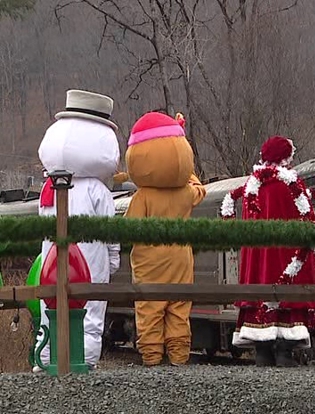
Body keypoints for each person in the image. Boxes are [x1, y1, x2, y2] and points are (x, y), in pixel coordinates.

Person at [35, 89, 122, 370]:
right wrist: (113, 259)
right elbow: (108, 230)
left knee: (51, 307)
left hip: (51, 260)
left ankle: (47, 357)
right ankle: (83, 360)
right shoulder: (97, 190)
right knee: (90, 309)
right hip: (90, 261)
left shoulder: (47, 189)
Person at [220, 136, 315, 367]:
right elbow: (307, 221)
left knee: (260, 292)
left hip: (258, 258)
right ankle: (285, 351)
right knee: (287, 297)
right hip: (286, 257)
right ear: (285, 158)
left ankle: (263, 352)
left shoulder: (252, 187)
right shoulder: (291, 185)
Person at [121, 111, 207, 366]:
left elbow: (129, 228)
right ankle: (179, 357)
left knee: (150, 309)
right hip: (181, 262)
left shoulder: (143, 197)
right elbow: (200, 190)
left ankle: (152, 357)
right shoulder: (186, 193)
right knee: (179, 310)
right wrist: (188, 174)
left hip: (150, 266)